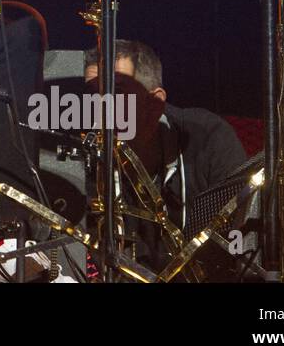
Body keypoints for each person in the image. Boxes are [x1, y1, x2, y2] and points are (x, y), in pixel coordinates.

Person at [83, 39, 248, 268]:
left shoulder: (207, 138)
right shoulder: (84, 157)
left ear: (155, 103)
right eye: (92, 94)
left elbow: (238, 240)